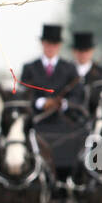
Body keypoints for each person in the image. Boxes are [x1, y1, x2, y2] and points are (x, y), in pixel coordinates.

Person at [19, 25, 82, 179]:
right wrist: (42, 103)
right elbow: (24, 95)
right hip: (38, 124)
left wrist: (63, 104)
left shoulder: (70, 69)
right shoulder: (30, 69)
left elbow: (78, 96)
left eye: (54, 44)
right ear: (42, 44)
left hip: (64, 125)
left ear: (59, 46)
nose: (50, 47)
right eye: (48, 43)